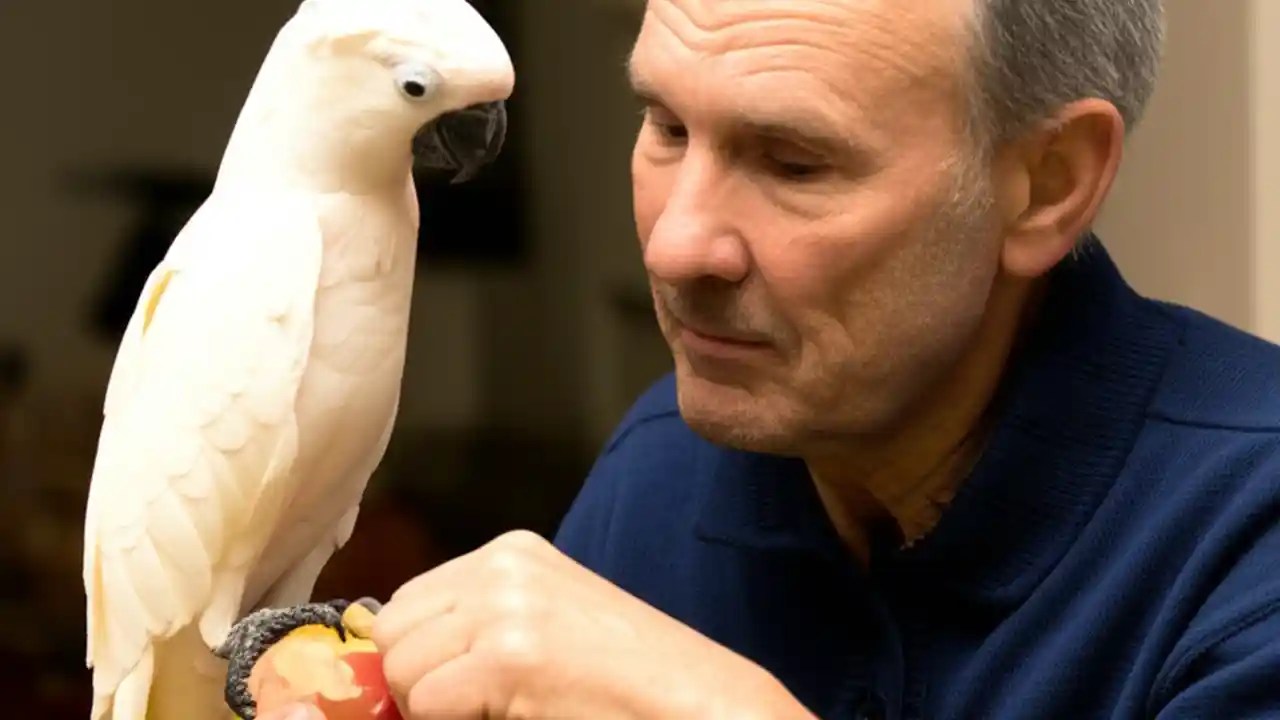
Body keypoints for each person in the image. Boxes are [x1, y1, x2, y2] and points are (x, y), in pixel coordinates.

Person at [265, 0, 1280, 717]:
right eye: (664, 126)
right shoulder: (663, 465)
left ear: (1047, 184)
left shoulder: (1246, 535)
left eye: (793, 162)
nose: (672, 246)